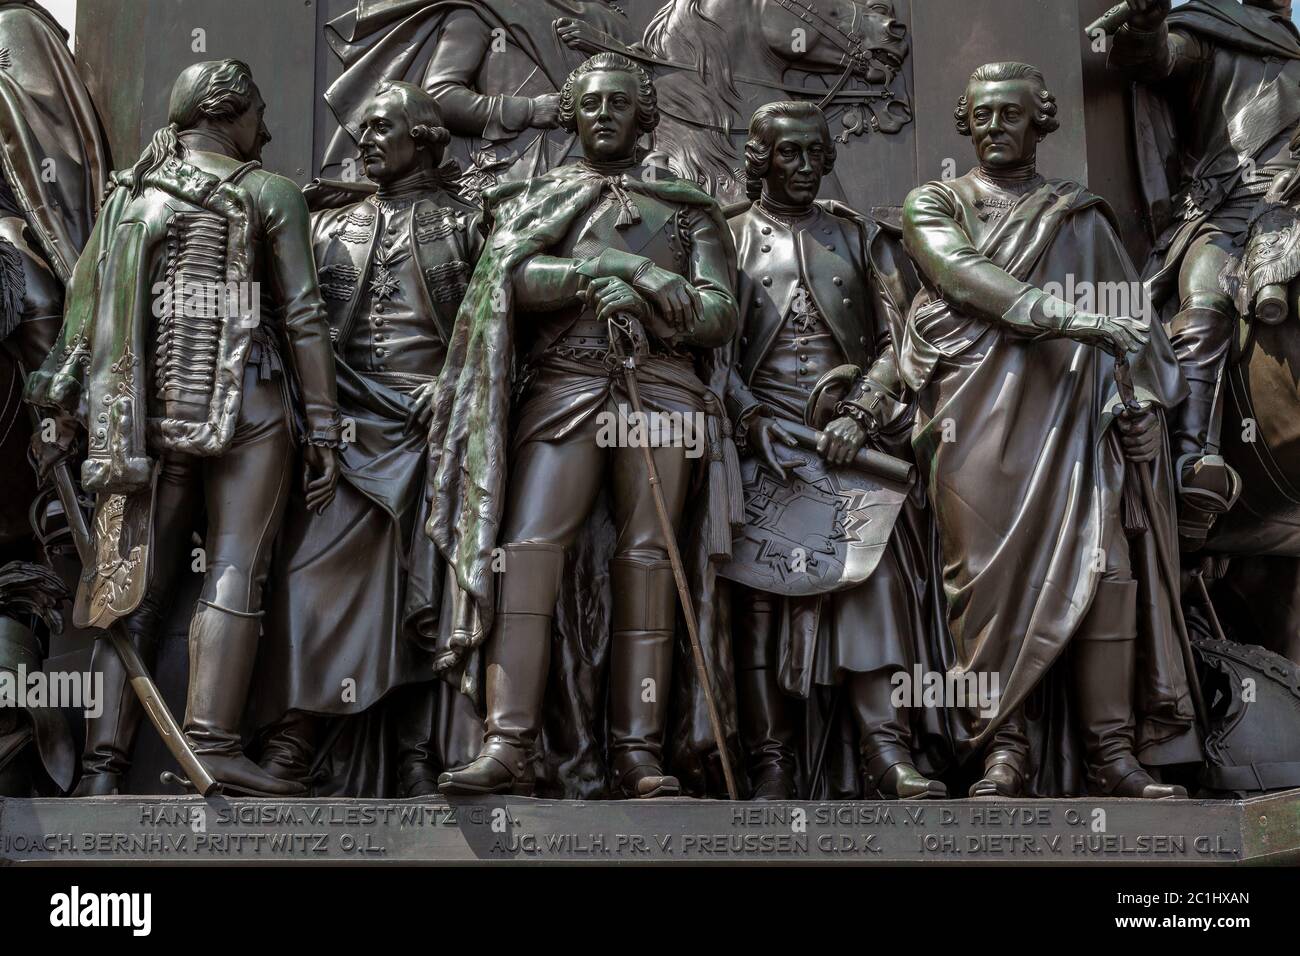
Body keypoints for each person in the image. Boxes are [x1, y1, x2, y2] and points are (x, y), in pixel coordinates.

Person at [25, 60, 342, 796]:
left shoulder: (126, 205)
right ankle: (212, 742)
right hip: (251, 402)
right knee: (235, 564)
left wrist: (61, 416)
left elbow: (83, 324)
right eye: (259, 111)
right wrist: (325, 425)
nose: (266, 127)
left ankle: (104, 769)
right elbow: (301, 314)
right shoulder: (270, 193)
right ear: (225, 111)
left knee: (132, 581)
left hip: (138, 415)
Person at [432, 53, 739, 798]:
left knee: (647, 560)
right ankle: (508, 743)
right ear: (570, 113)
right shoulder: (534, 198)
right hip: (565, 385)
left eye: (619, 103)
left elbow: (720, 314)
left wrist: (655, 307)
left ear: (645, 116)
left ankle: (638, 751)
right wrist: (621, 272)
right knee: (528, 550)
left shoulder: (688, 208)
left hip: (659, 392)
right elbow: (509, 281)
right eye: (590, 102)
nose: (603, 113)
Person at [899, 62, 1199, 798]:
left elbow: (1134, 330)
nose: (997, 126)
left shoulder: (1081, 216)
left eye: (1012, 113)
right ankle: (1005, 748)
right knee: (984, 585)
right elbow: (961, 274)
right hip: (977, 423)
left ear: (1043, 120)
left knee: (1109, 576)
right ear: (965, 123)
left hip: (1077, 424)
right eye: (983, 114)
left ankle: (1112, 752)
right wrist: (1069, 318)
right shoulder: (935, 203)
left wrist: (1143, 411)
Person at [254, 82, 484, 797]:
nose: (365, 139)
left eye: (382, 127)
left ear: (423, 136)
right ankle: (297, 734)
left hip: (429, 429)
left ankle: (417, 750)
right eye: (362, 128)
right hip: (342, 422)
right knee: (306, 579)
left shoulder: (468, 225)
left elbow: (498, 330)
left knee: (427, 590)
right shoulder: (326, 226)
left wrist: (451, 386)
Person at [724, 101, 946, 799]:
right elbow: (705, 350)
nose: (801, 166)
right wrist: (750, 414)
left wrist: (862, 410)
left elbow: (902, 338)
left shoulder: (857, 237)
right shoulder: (722, 237)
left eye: (814, 153)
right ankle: (771, 760)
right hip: (761, 445)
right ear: (759, 158)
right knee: (756, 604)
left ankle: (887, 750)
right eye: (786, 153)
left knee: (870, 583)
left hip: (850, 447)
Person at [1107, 0, 1300, 548]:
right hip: (1228, 209)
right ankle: (1194, 456)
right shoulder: (1212, 31)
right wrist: (1146, 25)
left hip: (1297, 201)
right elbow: (1158, 60)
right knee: (1207, 295)